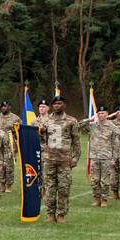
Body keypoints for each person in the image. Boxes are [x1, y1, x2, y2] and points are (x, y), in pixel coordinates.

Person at [38, 95, 82, 223]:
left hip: (64, 161)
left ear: (64, 105)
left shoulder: (71, 121)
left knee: (63, 188)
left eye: (60, 103)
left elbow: (77, 142)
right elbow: (41, 140)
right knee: (50, 187)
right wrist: (40, 133)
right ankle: (50, 214)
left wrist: (75, 158)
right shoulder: (46, 121)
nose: (58, 105)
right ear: (52, 106)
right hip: (49, 160)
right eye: (55, 104)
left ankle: (61, 214)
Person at [80, 106, 120, 207]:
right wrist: (91, 118)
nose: (101, 115)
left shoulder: (112, 127)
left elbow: (116, 144)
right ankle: (96, 199)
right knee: (95, 180)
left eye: (103, 113)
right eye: (99, 113)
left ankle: (104, 200)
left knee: (105, 180)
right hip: (94, 157)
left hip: (106, 157)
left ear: (107, 114)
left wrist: (114, 159)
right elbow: (80, 125)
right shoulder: (93, 126)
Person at [0, 101, 21, 194]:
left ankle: (9, 185)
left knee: (9, 166)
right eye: (1, 106)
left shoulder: (15, 118)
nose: (3, 108)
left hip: (10, 146)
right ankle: (2, 184)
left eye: (5, 106)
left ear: (9, 107)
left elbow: (20, 131)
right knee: (0, 165)